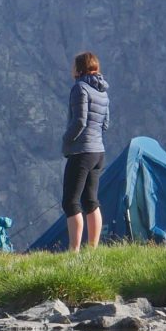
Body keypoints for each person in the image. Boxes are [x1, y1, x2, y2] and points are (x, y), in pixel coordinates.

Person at [60, 50, 110, 252]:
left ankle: (74, 251)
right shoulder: (103, 91)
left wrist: (66, 139)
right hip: (98, 152)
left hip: (82, 152)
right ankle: (93, 248)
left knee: (70, 202)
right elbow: (105, 124)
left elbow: (79, 121)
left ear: (79, 68)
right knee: (91, 201)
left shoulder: (80, 88)